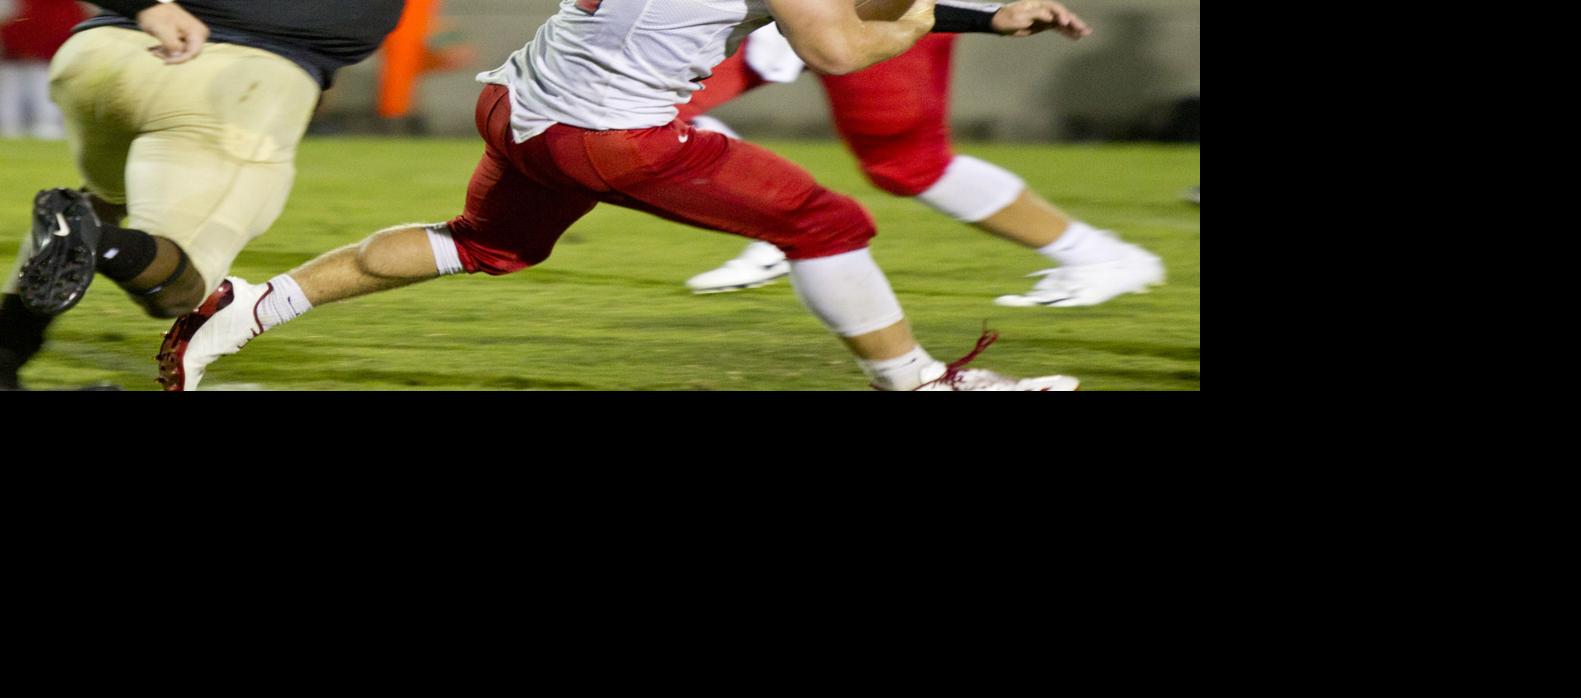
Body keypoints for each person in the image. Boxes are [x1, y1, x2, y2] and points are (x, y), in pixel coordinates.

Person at [160, 0, 1088, 393]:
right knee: (826, 221)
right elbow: (839, 44)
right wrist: (928, 23)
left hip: (516, 103)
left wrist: (982, 13)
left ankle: (247, 307)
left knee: (489, 242)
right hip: (608, 133)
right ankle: (918, 381)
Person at [0, 0, 405, 390]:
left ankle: (5, 359)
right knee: (177, 286)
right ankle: (93, 240)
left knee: (103, 198)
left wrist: (145, 6)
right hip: (235, 81)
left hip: (96, 58)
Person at [677, 16, 1163, 309]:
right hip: (776, 14)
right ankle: (777, 229)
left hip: (879, 15)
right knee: (644, 113)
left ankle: (1101, 258)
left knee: (908, 164)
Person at [0, 0, 84, 140]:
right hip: (13, 61)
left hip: (46, 61)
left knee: (45, 107)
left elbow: (68, 25)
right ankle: (10, 128)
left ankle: (46, 126)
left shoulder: (64, 5)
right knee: (9, 109)